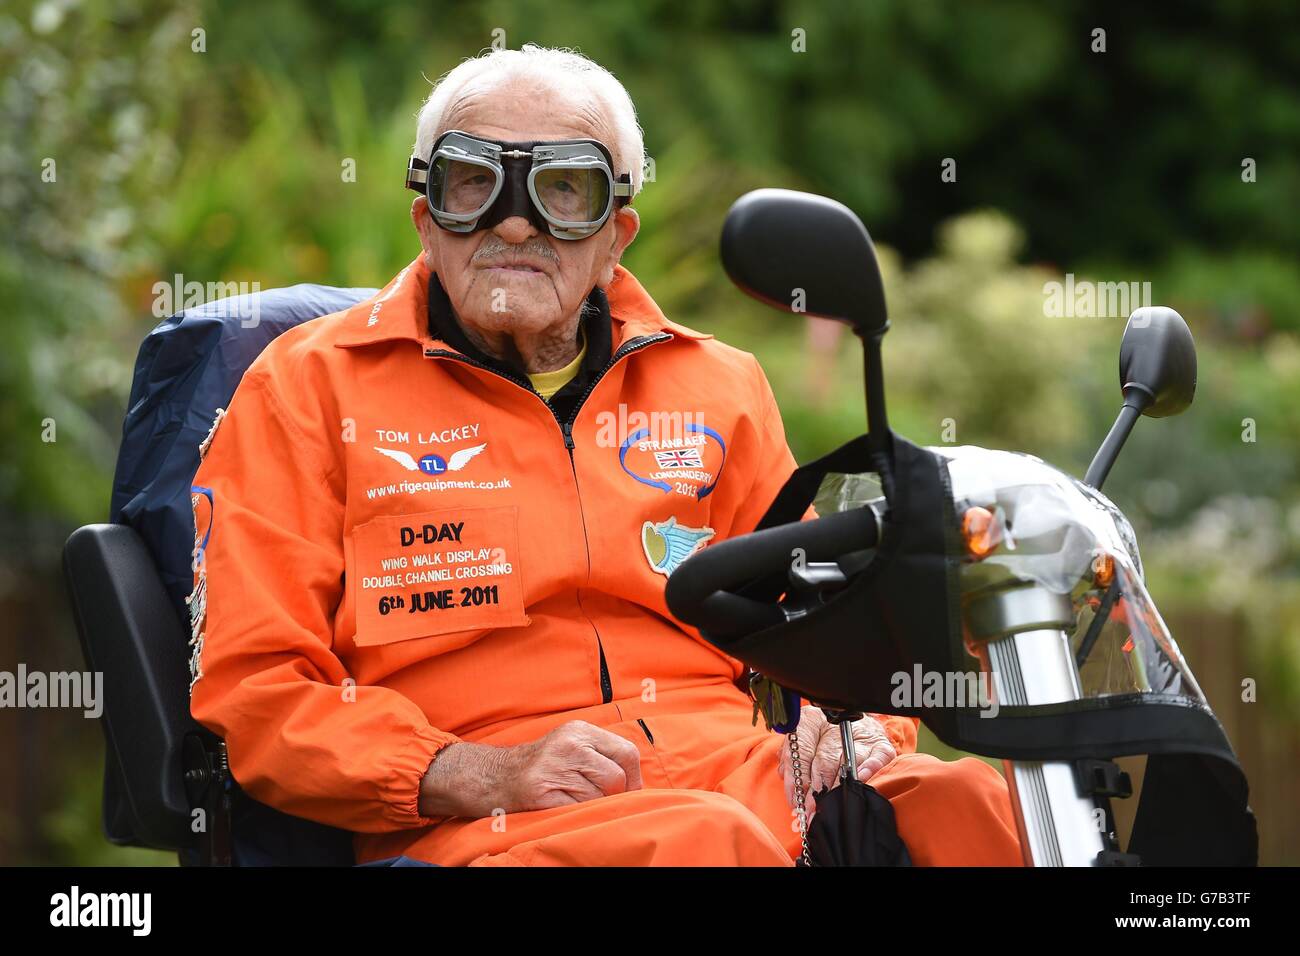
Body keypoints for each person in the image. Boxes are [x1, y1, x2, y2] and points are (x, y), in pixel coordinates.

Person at [187, 44, 1022, 866]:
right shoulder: (305, 390)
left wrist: (856, 723)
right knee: (704, 842)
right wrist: (474, 772)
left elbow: (826, 617)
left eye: (563, 189)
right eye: (473, 183)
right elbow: (258, 691)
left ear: (616, 233)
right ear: (425, 219)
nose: (514, 221)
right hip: (487, 824)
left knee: (970, 805)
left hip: (740, 779)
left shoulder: (718, 385)